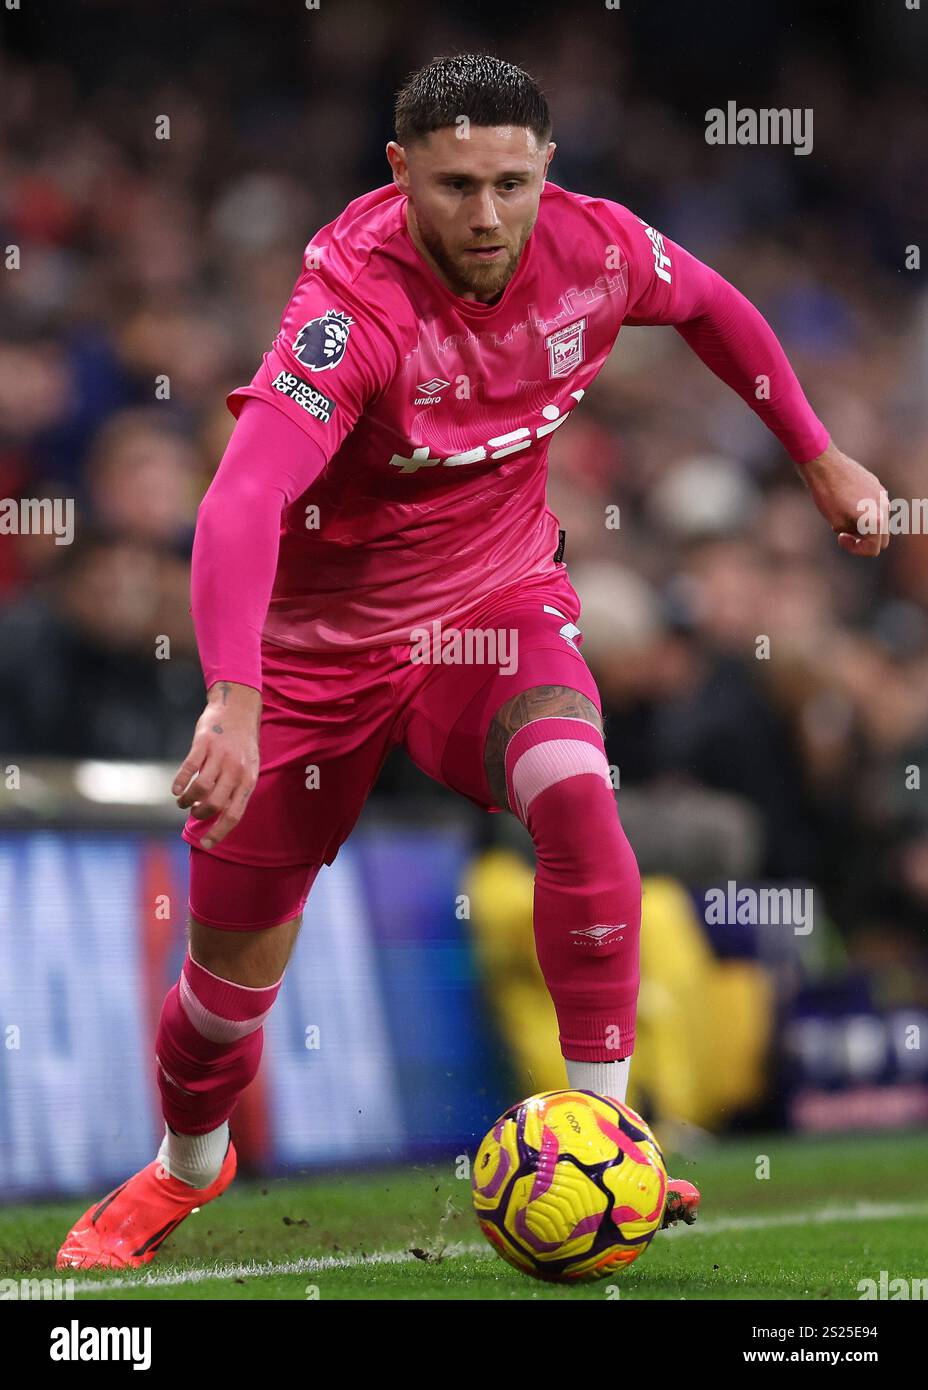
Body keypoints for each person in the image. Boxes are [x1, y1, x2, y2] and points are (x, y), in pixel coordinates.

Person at [58, 54, 888, 1270]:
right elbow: (240, 501)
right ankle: (188, 1163)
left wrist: (816, 455)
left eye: (511, 182)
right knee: (222, 995)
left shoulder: (597, 250)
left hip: (491, 608)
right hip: (312, 658)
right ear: (399, 174)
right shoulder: (353, 307)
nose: (487, 215)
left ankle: (606, 1141)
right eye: (454, 187)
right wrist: (235, 704)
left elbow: (715, 307)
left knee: (576, 792)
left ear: (548, 168)